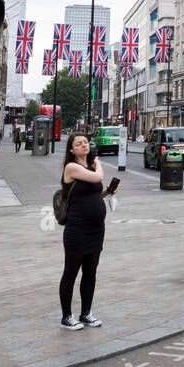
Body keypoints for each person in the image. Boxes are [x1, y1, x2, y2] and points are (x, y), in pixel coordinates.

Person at [57, 132, 113, 330]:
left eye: (86, 142)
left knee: (91, 271)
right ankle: (66, 317)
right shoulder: (71, 167)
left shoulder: (88, 167)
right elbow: (98, 176)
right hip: (77, 228)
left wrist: (108, 193)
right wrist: (98, 162)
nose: (84, 146)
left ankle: (86, 313)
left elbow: (95, 191)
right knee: (71, 272)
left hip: (96, 229)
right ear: (71, 149)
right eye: (79, 144)